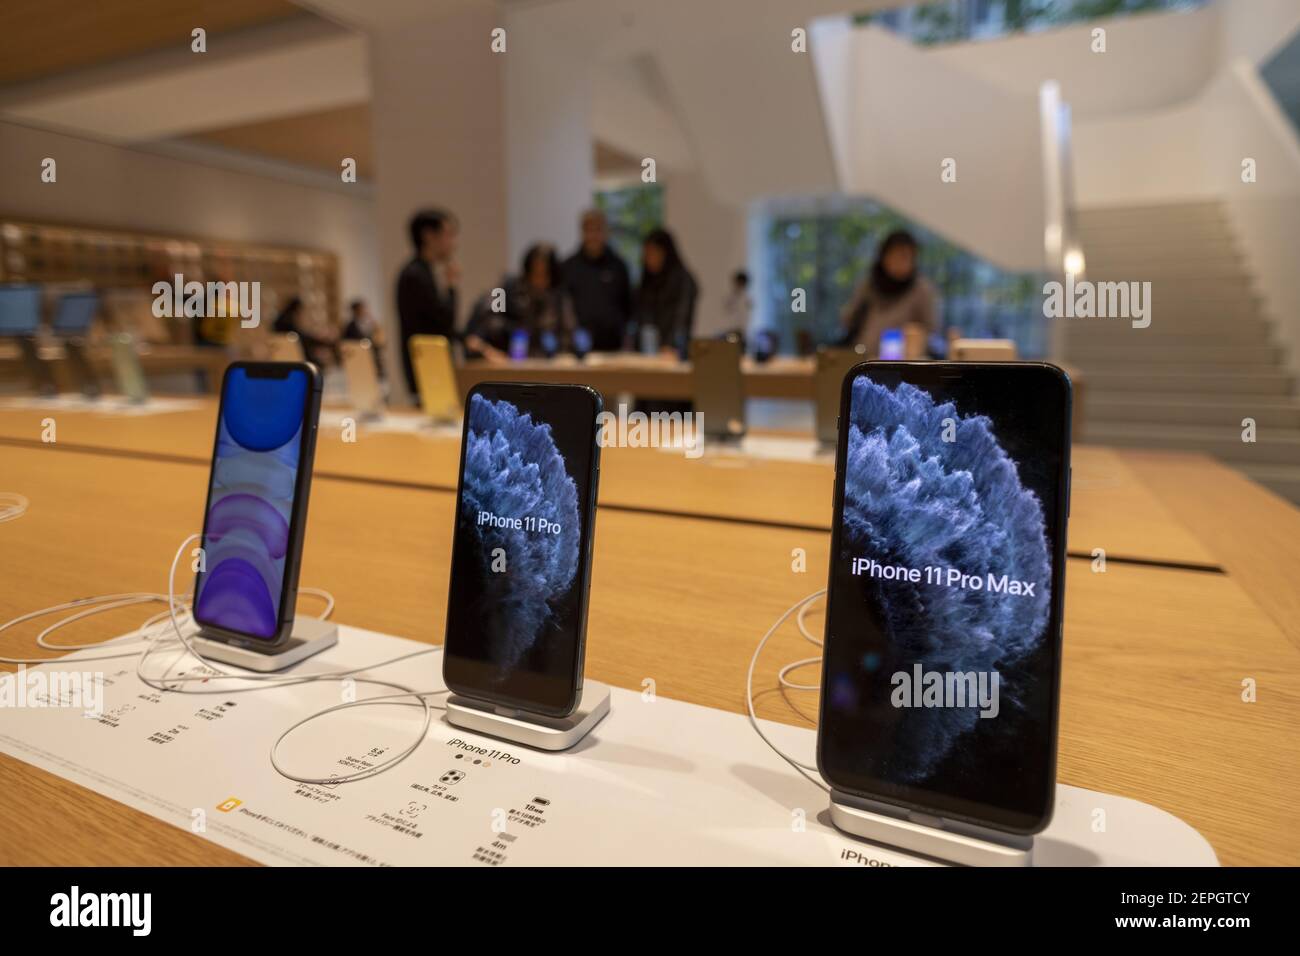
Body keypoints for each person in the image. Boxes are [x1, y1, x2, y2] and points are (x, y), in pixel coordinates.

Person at [465, 243, 577, 362]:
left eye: (544, 275)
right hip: (506, 358)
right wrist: (511, 331)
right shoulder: (506, 289)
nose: (539, 281)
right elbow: (488, 320)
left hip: (545, 362)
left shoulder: (559, 297)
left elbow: (568, 332)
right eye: (535, 274)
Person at [839, 229, 939, 354]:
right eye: (895, 255)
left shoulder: (921, 290)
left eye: (905, 257)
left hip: (903, 362)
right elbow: (849, 319)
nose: (900, 262)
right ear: (884, 257)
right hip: (864, 357)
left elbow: (930, 330)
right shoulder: (870, 284)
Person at [396, 208, 460, 393]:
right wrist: (451, 287)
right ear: (428, 236)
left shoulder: (418, 272)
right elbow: (443, 321)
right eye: (448, 234)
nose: (453, 243)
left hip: (427, 365)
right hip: (427, 367)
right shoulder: (415, 275)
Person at [562, 209, 631, 352]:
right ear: (582, 232)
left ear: (605, 232)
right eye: (589, 230)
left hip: (613, 346)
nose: (593, 235)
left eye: (598, 230)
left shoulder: (618, 266)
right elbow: (563, 304)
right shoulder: (568, 266)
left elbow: (628, 305)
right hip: (576, 346)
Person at [634, 228, 697, 356]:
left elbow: (682, 317)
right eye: (647, 253)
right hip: (647, 349)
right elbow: (642, 314)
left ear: (665, 253)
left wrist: (671, 344)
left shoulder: (682, 279)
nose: (649, 258)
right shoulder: (647, 280)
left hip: (673, 350)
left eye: (653, 253)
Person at [272, 296, 338, 365]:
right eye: (304, 312)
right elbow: (303, 340)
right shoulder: (289, 331)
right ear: (297, 312)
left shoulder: (282, 324)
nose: (307, 316)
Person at [342, 298, 386, 379]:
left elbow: (377, 336)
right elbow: (346, 342)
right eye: (360, 309)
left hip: (372, 351)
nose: (363, 311)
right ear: (354, 311)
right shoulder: (350, 326)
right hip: (358, 353)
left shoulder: (370, 322)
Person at [722, 269, 753, 334]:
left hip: (742, 329)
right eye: (739, 283)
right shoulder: (730, 296)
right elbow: (727, 310)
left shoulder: (747, 298)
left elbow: (747, 313)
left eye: (742, 283)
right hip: (729, 328)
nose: (740, 285)